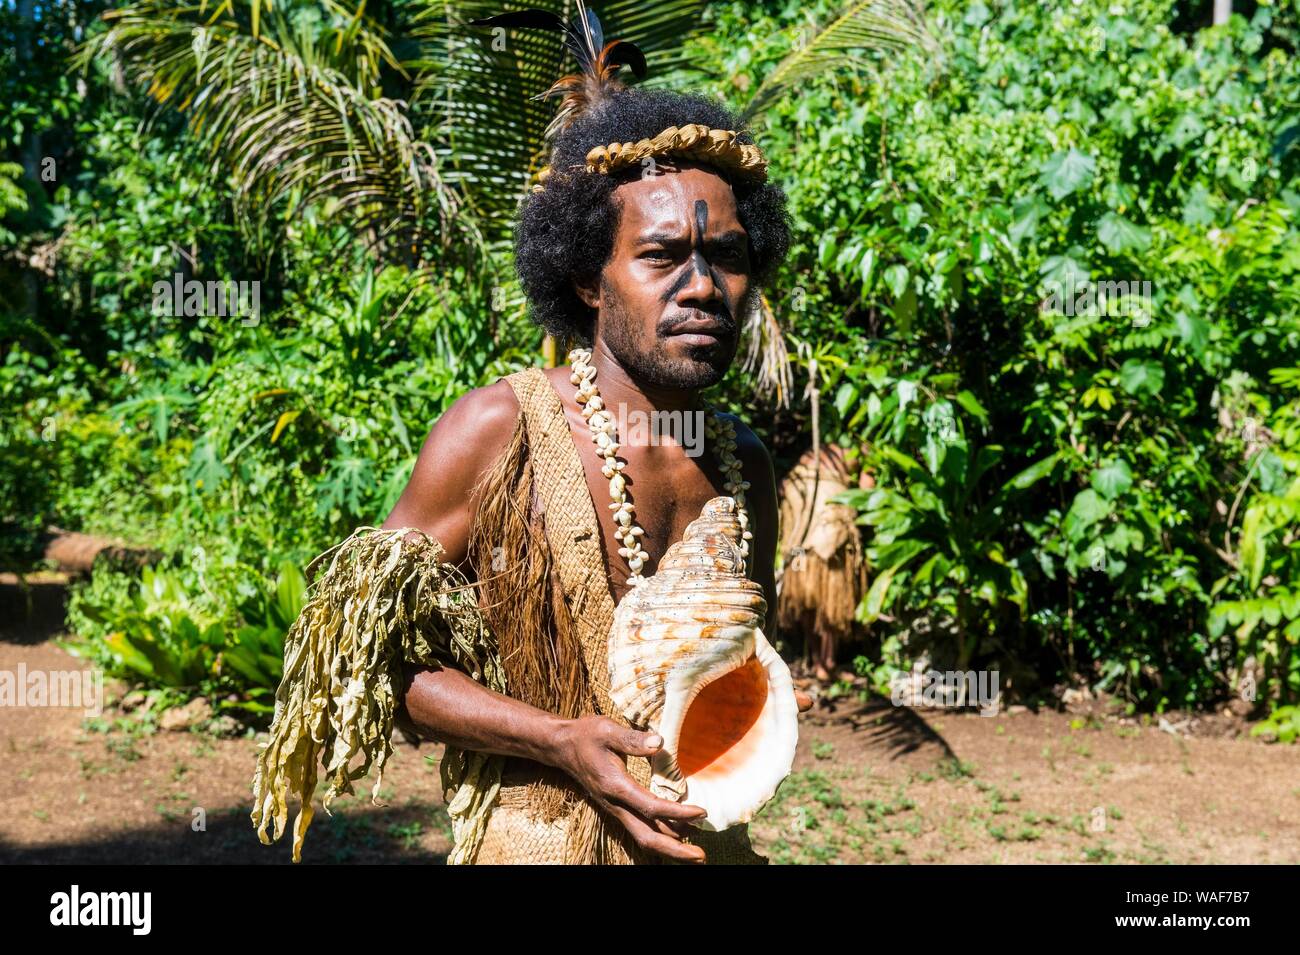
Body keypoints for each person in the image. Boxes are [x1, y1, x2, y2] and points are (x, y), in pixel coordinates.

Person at [252, 9, 810, 865]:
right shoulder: (498, 432)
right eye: (662, 256)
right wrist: (555, 737)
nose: (703, 286)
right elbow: (367, 664)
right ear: (589, 277)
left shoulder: (747, 466)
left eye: (727, 257)